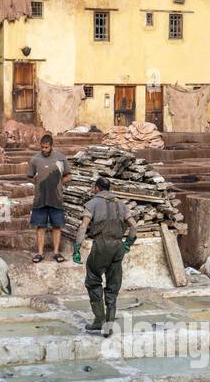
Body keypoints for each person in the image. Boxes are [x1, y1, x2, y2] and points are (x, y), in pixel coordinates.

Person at [72, 176, 139, 336]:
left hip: (101, 246)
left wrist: (77, 248)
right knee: (113, 286)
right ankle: (109, 325)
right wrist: (128, 243)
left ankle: (98, 320)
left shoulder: (92, 204)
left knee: (93, 280)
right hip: (118, 247)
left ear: (97, 188)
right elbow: (134, 226)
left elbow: (83, 227)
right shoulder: (121, 204)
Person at [28, 133, 71, 263]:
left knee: (56, 226)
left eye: (46, 147)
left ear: (52, 146)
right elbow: (29, 176)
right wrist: (39, 183)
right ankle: (40, 253)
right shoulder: (35, 159)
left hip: (56, 198)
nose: (44, 150)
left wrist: (56, 183)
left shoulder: (61, 158)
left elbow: (68, 176)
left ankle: (56, 253)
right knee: (40, 226)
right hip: (40, 199)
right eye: (42, 147)